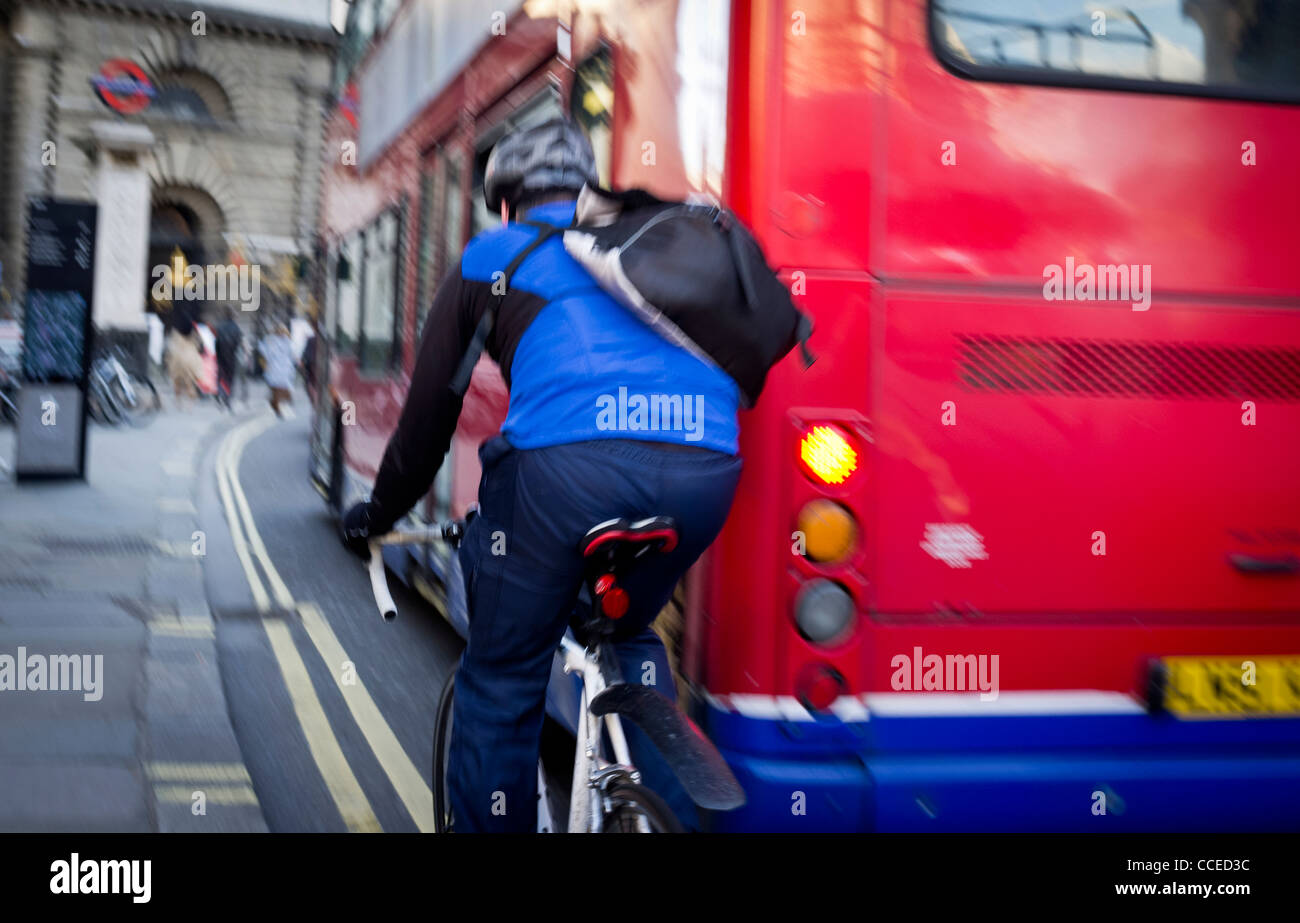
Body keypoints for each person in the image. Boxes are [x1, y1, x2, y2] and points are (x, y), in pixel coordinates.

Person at [340, 119, 743, 832]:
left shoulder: (493, 255)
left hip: (562, 478)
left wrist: (379, 511)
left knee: (500, 679)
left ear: (504, 203)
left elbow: (429, 417)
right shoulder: (647, 244)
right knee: (628, 632)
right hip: (705, 467)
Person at [165, 300, 204, 406]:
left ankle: (178, 401)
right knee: (189, 381)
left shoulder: (176, 326)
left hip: (177, 356)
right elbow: (196, 341)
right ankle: (191, 403)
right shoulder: (191, 325)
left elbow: (172, 341)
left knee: (176, 379)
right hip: (190, 356)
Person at [258, 321, 295, 417]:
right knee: (276, 389)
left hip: (283, 369)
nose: (281, 332)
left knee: (282, 388)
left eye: (283, 331)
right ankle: (276, 407)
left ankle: (278, 405)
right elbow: (265, 352)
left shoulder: (287, 341)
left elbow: (292, 353)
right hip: (275, 368)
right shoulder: (271, 340)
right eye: (280, 330)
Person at [215, 306, 243, 411]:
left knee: (221, 377)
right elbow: (238, 343)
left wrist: (217, 354)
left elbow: (216, 342)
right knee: (230, 379)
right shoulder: (236, 328)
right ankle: (227, 399)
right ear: (233, 316)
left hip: (221, 356)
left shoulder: (220, 327)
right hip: (231, 356)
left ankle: (220, 394)